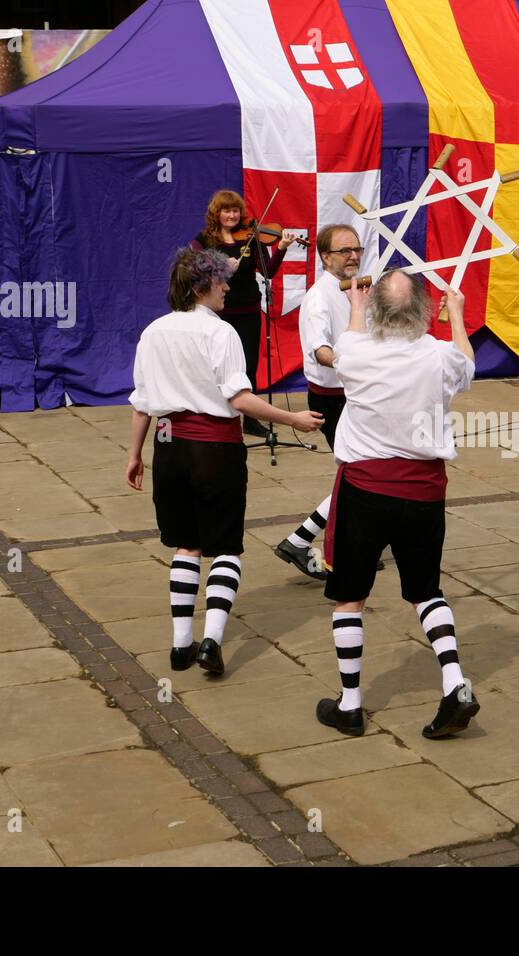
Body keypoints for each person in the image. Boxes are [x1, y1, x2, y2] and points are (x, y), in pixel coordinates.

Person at [126, 248, 323, 676]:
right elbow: (238, 398)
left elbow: (142, 403)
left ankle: (181, 645)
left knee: (187, 545)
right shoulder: (222, 333)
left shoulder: (153, 332)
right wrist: (293, 418)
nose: (228, 288)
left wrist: (134, 454)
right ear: (201, 287)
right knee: (226, 548)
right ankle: (212, 639)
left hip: (170, 451)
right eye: (221, 282)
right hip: (216, 451)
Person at [315, 271, 479, 740]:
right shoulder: (440, 354)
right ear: (425, 311)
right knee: (427, 591)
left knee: (349, 596)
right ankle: (454, 684)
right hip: (424, 491)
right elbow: (466, 366)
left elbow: (348, 340)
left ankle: (350, 704)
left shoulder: (355, 351)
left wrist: (353, 306)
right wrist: (460, 318)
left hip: (366, 489)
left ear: (375, 313)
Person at [274, 224, 363, 582]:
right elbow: (320, 350)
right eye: (344, 251)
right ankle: (304, 540)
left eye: (356, 248)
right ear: (325, 257)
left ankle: (323, 542)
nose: (354, 255)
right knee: (358, 473)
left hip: (356, 393)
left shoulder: (355, 290)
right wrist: (351, 361)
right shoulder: (318, 298)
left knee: (361, 472)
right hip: (332, 399)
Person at [191, 190, 300, 435]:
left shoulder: (251, 238)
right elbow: (193, 272)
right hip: (217, 313)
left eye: (235, 210)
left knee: (248, 364)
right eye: (226, 210)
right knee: (215, 364)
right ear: (216, 213)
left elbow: (268, 271)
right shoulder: (203, 240)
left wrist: (281, 247)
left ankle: (250, 419)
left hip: (248, 309)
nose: (231, 215)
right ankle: (215, 413)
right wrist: (220, 268)